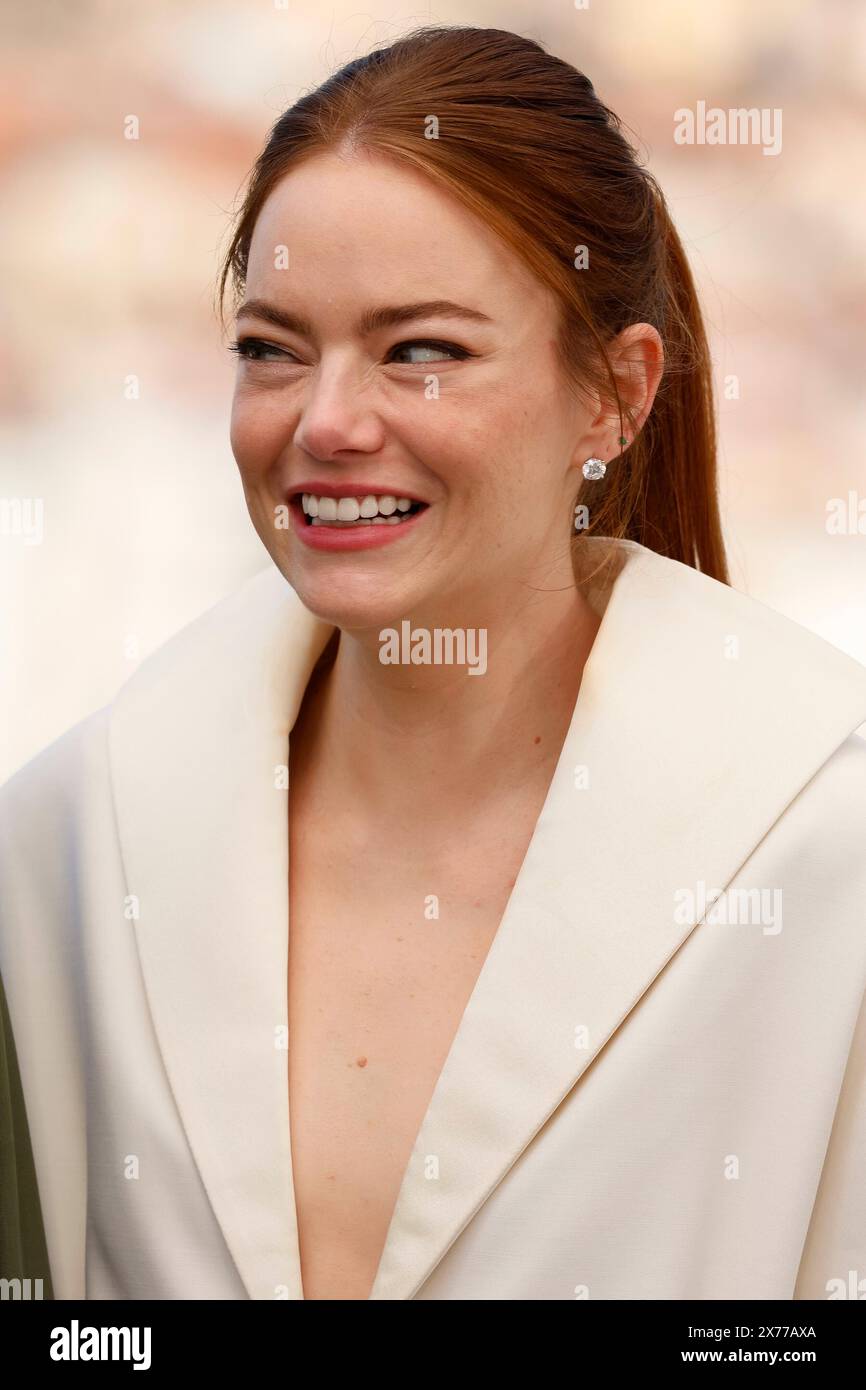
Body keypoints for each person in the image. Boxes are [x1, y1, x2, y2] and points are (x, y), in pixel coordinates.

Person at [1, 25, 865, 1302]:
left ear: (614, 395)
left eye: (423, 351)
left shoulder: (823, 848)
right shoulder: (69, 842)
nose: (327, 422)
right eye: (271, 349)